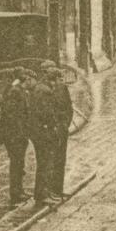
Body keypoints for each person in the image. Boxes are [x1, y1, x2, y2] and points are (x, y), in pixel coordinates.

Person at [31, 72, 74, 203]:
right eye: (58, 79)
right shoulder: (44, 91)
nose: (59, 82)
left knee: (53, 160)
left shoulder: (46, 88)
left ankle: (52, 191)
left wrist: (64, 124)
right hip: (47, 130)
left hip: (56, 127)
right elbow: (46, 112)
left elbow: (68, 107)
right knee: (46, 162)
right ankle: (44, 193)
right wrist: (53, 126)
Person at [0, 72, 35, 206]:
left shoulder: (21, 91)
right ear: (27, 80)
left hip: (18, 134)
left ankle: (19, 191)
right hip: (13, 134)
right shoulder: (15, 92)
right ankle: (15, 194)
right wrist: (22, 133)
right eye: (32, 80)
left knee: (19, 163)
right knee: (16, 163)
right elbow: (12, 115)